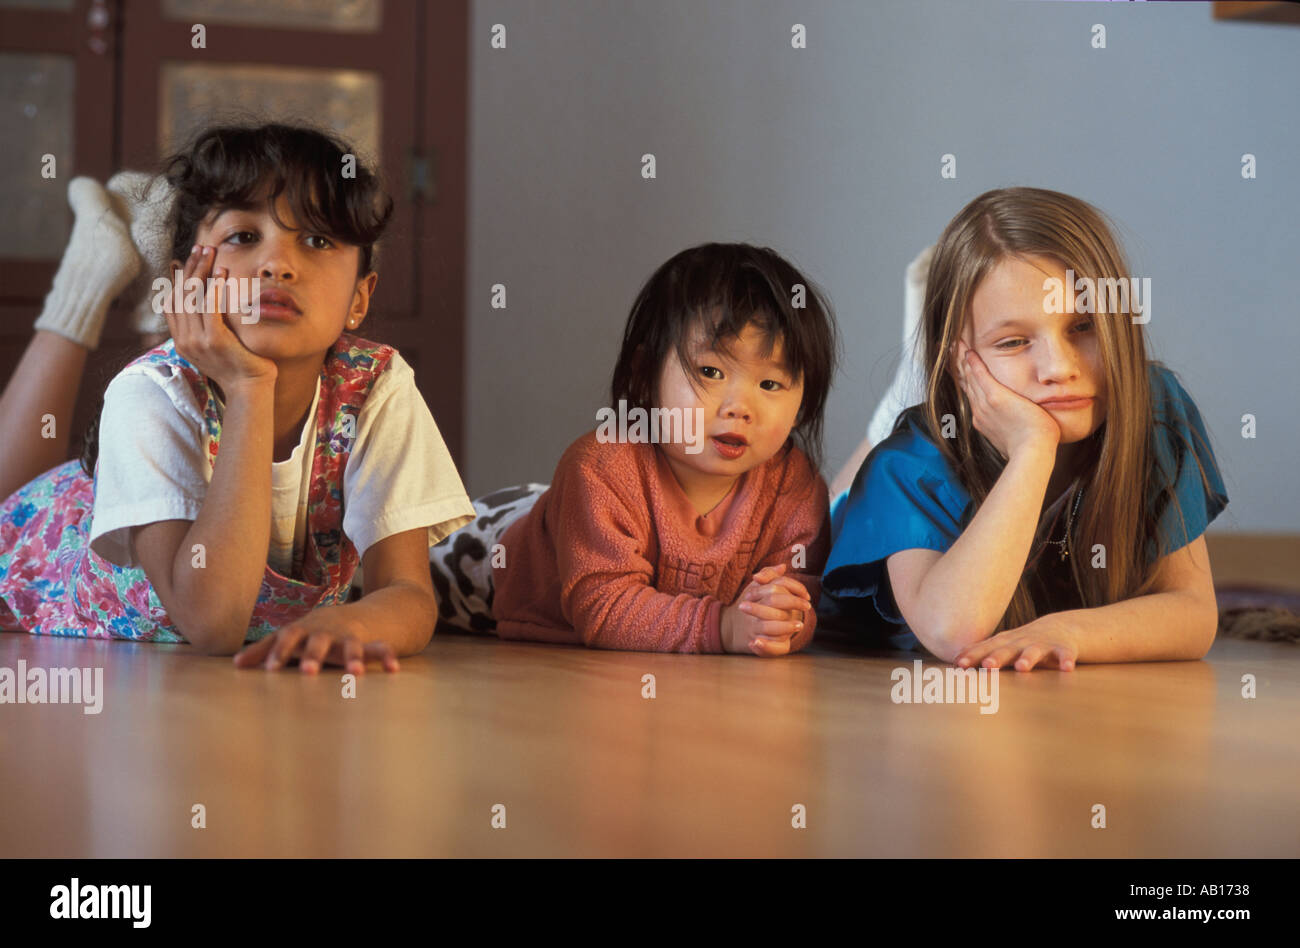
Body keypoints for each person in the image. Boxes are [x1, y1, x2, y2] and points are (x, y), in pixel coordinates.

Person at [0, 122, 475, 674]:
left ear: (359, 299)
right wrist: (250, 388)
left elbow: (408, 593)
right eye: (244, 236)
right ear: (187, 284)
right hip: (40, 542)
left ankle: (172, 315)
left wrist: (351, 622)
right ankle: (92, 270)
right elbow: (213, 623)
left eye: (317, 240)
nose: (278, 264)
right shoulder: (145, 395)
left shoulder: (376, 387)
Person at [822, 187, 1227, 670]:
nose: (1058, 367)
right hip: (843, 522)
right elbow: (954, 630)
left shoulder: (1152, 405)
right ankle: (909, 386)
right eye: (1014, 341)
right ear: (961, 361)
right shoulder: (907, 465)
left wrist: (1069, 631)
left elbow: (1194, 613)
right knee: (842, 497)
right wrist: (1033, 450)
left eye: (1083, 327)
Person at [433, 243, 837, 655]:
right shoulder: (599, 467)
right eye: (711, 372)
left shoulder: (796, 489)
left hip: (573, 512)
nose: (740, 408)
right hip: (490, 555)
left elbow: (800, 600)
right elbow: (604, 608)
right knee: (393, 579)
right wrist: (724, 626)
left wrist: (781, 621)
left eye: (770, 384)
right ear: (645, 375)